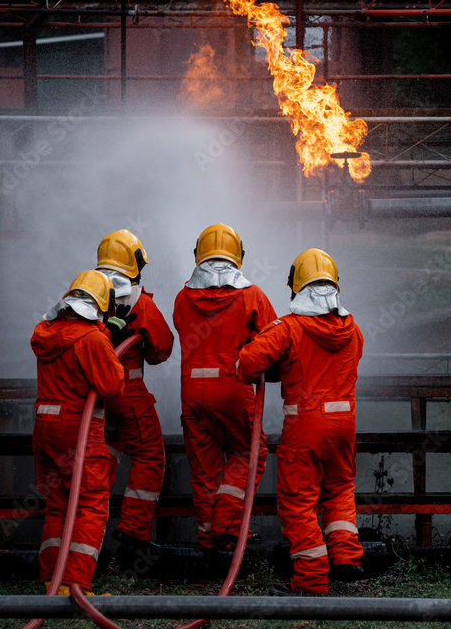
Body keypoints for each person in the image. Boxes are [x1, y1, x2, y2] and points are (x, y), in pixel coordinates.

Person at [236, 248, 365, 596]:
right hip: (344, 427)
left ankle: (311, 580)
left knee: (298, 502)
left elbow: (247, 366)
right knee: (339, 490)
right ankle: (346, 557)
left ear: (296, 286)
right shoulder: (353, 330)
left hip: (305, 429)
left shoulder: (288, 328)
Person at [173, 223, 277, 551]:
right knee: (249, 452)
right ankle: (228, 527)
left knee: (204, 468)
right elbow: (273, 343)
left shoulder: (183, 297)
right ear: (239, 256)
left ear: (197, 255)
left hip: (192, 392)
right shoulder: (252, 295)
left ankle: (209, 538)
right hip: (233, 388)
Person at [31, 270, 124, 595]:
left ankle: (52, 580)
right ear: (102, 304)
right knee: (90, 504)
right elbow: (112, 386)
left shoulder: (45, 332)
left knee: (58, 505)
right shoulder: (92, 339)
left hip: (45, 429)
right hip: (77, 434)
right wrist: (109, 337)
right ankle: (76, 586)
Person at [94, 229, 175, 570]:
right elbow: (162, 349)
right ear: (136, 265)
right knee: (150, 458)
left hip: (96, 398)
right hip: (128, 395)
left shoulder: (87, 294)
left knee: (100, 462)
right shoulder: (139, 302)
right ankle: (133, 534)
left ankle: (89, 536)